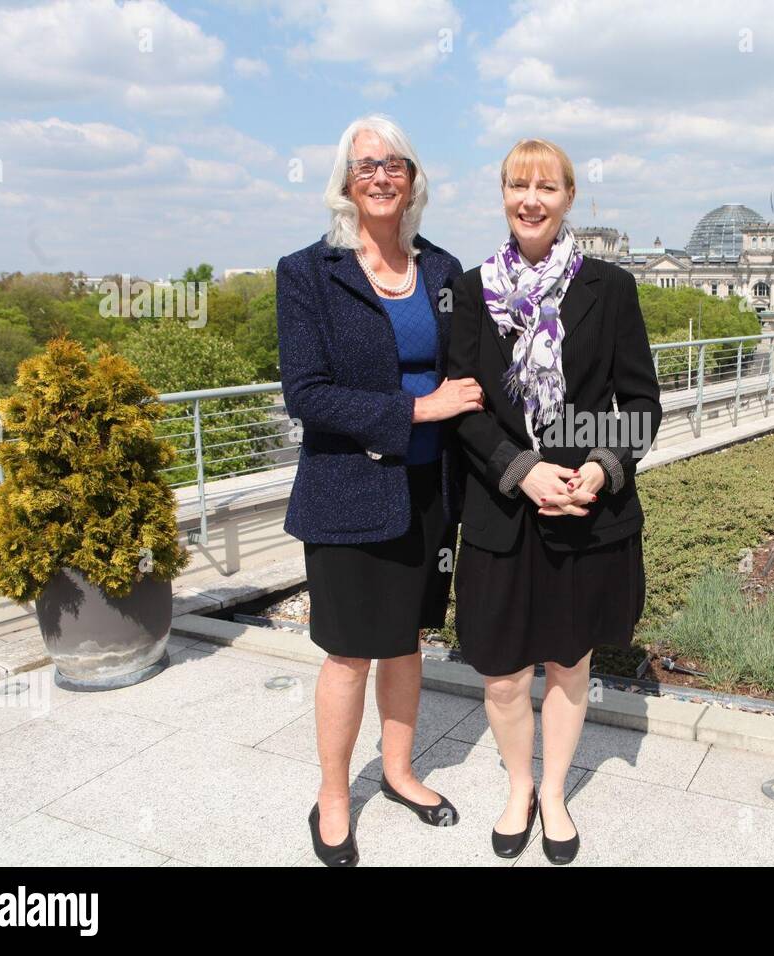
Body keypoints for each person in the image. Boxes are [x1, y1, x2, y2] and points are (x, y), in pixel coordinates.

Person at [447, 137, 662, 864]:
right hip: (502, 513)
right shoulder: (472, 293)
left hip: (583, 510)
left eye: (546, 186)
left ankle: (555, 792)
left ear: (569, 198)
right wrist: (520, 469)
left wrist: (600, 470)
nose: (530, 199)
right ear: (503, 194)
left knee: (571, 666)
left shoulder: (610, 287)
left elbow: (639, 403)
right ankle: (517, 785)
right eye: (517, 185)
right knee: (503, 672)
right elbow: (465, 407)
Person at [276, 115, 483, 866]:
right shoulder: (306, 273)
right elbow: (306, 392)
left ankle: (399, 772)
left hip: (431, 490)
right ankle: (335, 796)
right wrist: (416, 409)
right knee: (348, 653)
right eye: (366, 166)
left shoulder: (444, 270)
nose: (382, 176)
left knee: (407, 642)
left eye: (395, 164)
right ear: (344, 182)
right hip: (346, 491)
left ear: (414, 178)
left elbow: (473, 368)